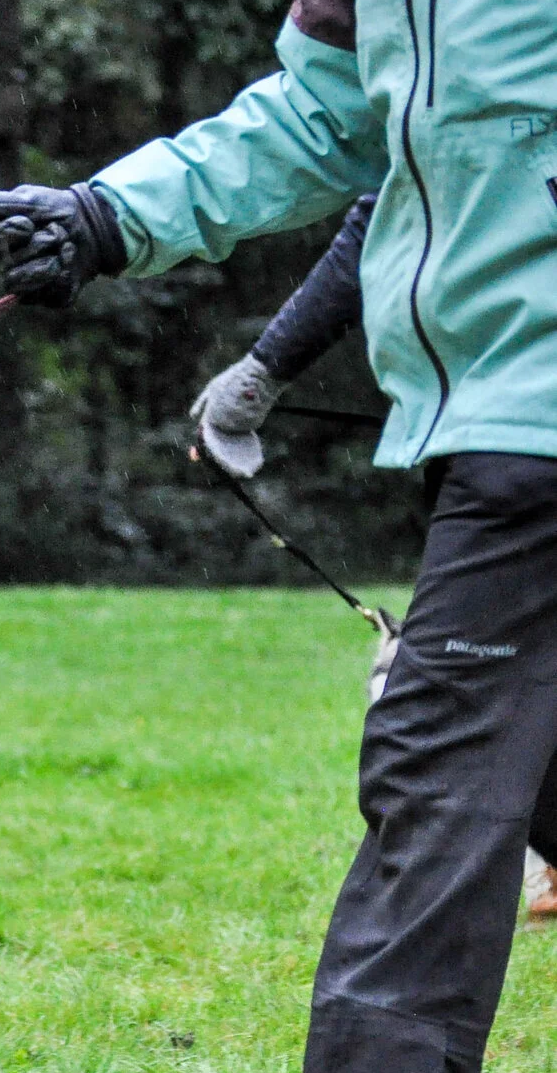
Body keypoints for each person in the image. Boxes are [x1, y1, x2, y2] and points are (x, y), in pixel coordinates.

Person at [0, 0, 557, 1073]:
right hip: (488, 413)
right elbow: (329, 117)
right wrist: (108, 216)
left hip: (535, 432)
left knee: (439, 782)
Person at [191, 198, 557, 926]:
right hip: (498, 448)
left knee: (447, 737)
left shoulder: (458, 163)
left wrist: (258, 377)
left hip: (510, 458)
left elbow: (379, 211)